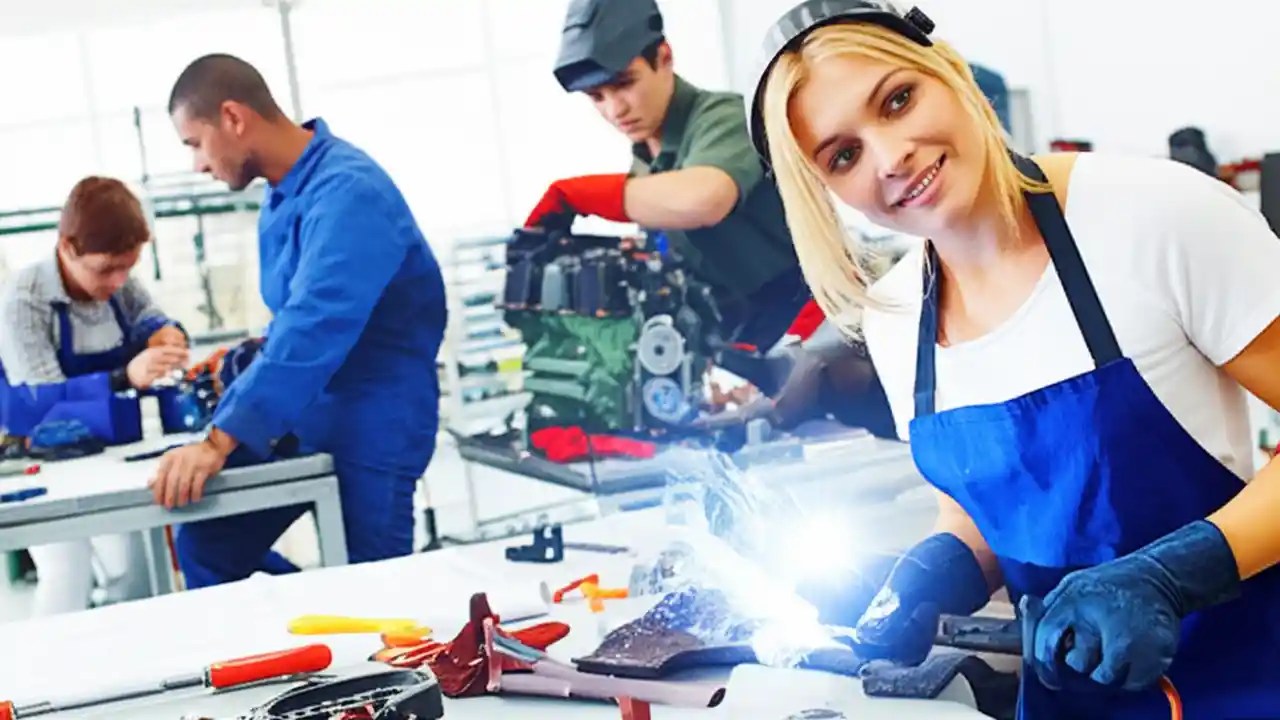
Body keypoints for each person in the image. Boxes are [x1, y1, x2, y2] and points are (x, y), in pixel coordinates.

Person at [750, 1, 1280, 717]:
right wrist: (940, 572)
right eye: (843, 155)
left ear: (951, 71)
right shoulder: (896, 315)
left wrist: (1173, 575)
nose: (890, 156)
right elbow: (983, 508)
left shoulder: (1156, 217)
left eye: (898, 100)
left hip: (1246, 683)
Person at [151, 54, 446, 587]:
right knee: (208, 545)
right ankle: (300, 617)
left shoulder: (350, 192)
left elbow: (314, 324)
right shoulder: (283, 194)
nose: (197, 165)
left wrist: (218, 441)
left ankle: (332, 623)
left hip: (374, 424)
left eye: (195, 143)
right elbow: (291, 317)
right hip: (305, 414)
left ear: (234, 118)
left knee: (376, 596)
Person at [531, 0, 819, 364]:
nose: (614, 109)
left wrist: (576, 196)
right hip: (739, 341)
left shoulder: (724, 117)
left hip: (810, 328)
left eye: (624, 83)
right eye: (596, 97)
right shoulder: (646, 162)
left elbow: (704, 198)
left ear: (664, 57)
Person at [0, 176, 189, 616]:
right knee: (68, 575)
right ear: (67, 248)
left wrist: (168, 336)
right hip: (36, 461)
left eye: (128, 267)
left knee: (134, 573)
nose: (119, 280)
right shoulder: (23, 300)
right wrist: (125, 376)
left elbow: (151, 318)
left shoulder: (120, 284)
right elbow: (41, 400)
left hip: (107, 451)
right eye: (106, 269)